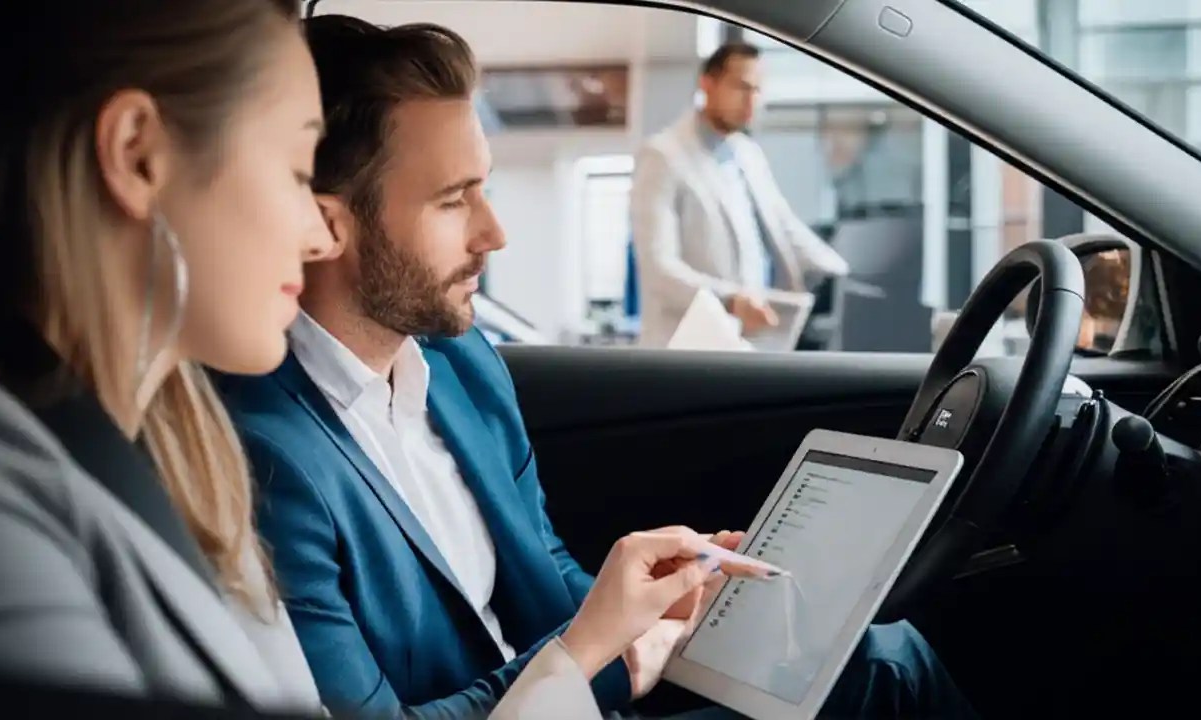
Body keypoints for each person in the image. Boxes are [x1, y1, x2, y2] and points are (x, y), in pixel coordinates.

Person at [0, 4, 729, 718]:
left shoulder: (197, 457)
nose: (317, 233)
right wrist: (591, 657)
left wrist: (642, 618)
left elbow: (540, 565)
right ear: (138, 157)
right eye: (296, 175)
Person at [216, 17, 977, 720]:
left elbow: (539, 574)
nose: (496, 233)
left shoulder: (459, 365)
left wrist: (667, 606)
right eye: (454, 202)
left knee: (882, 657)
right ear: (327, 224)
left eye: (486, 188)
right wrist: (603, 660)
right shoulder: (264, 457)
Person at [630, 42, 850, 349]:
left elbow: (785, 226)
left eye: (758, 90)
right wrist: (730, 300)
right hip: (682, 346)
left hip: (742, 342)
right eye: (742, 87)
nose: (752, 101)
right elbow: (659, 267)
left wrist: (840, 270)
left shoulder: (748, 155)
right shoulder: (662, 156)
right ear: (707, 83)